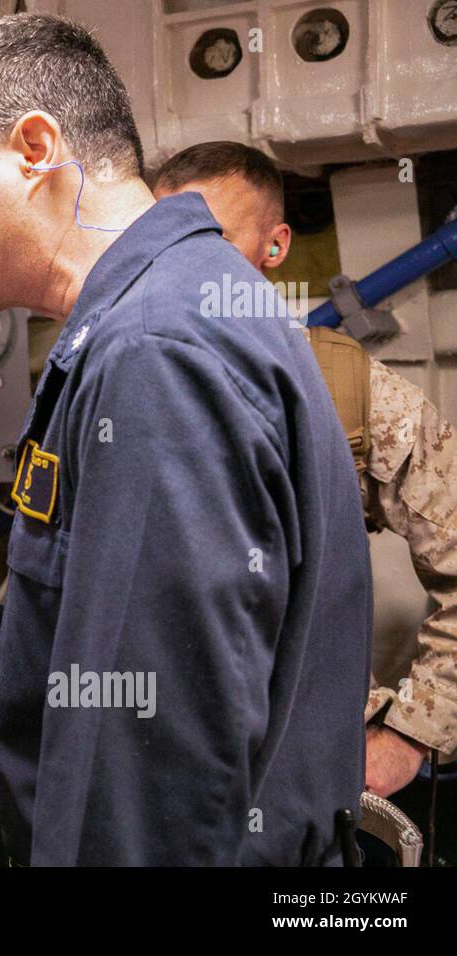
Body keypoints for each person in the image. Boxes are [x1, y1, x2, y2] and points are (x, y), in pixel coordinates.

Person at [0, 12, 372, 865]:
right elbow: (118, 648)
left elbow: (148, 765)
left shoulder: (153, 352)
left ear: (37, 148)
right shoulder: (182, 301)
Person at [152, 141, 457, 798]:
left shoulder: (347, 393)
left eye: (210, 241)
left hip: (293, 772)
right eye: (161, 244)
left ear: (275, 246)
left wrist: (412, 734)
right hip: (146, 770)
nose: (181, 271)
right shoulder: (102, 386)